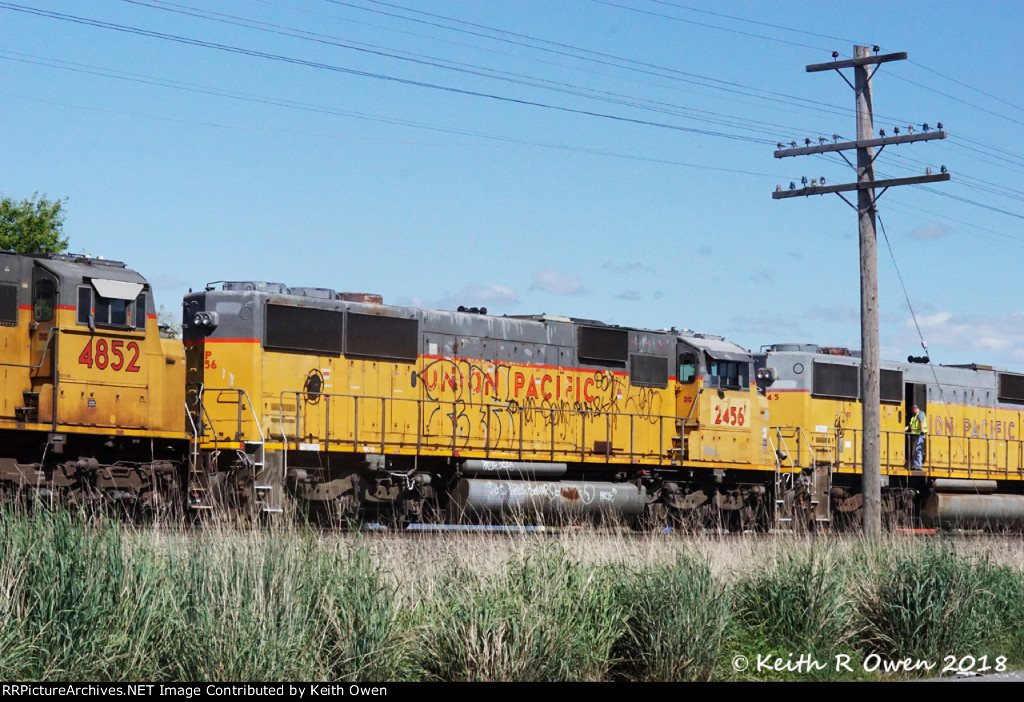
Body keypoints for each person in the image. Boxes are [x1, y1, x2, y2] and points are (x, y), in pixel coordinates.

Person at [907, 403, 927, 470]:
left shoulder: (920, 414)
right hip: (916, 436)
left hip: (920, 435)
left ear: (915, 409)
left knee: (917, 450)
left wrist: (922, 432)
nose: (912, 412)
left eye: (913, 410)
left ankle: (919, 466)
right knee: (914, 451)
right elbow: (910, 426)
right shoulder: (914, 417)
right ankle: (917, 465)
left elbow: (922, 423)